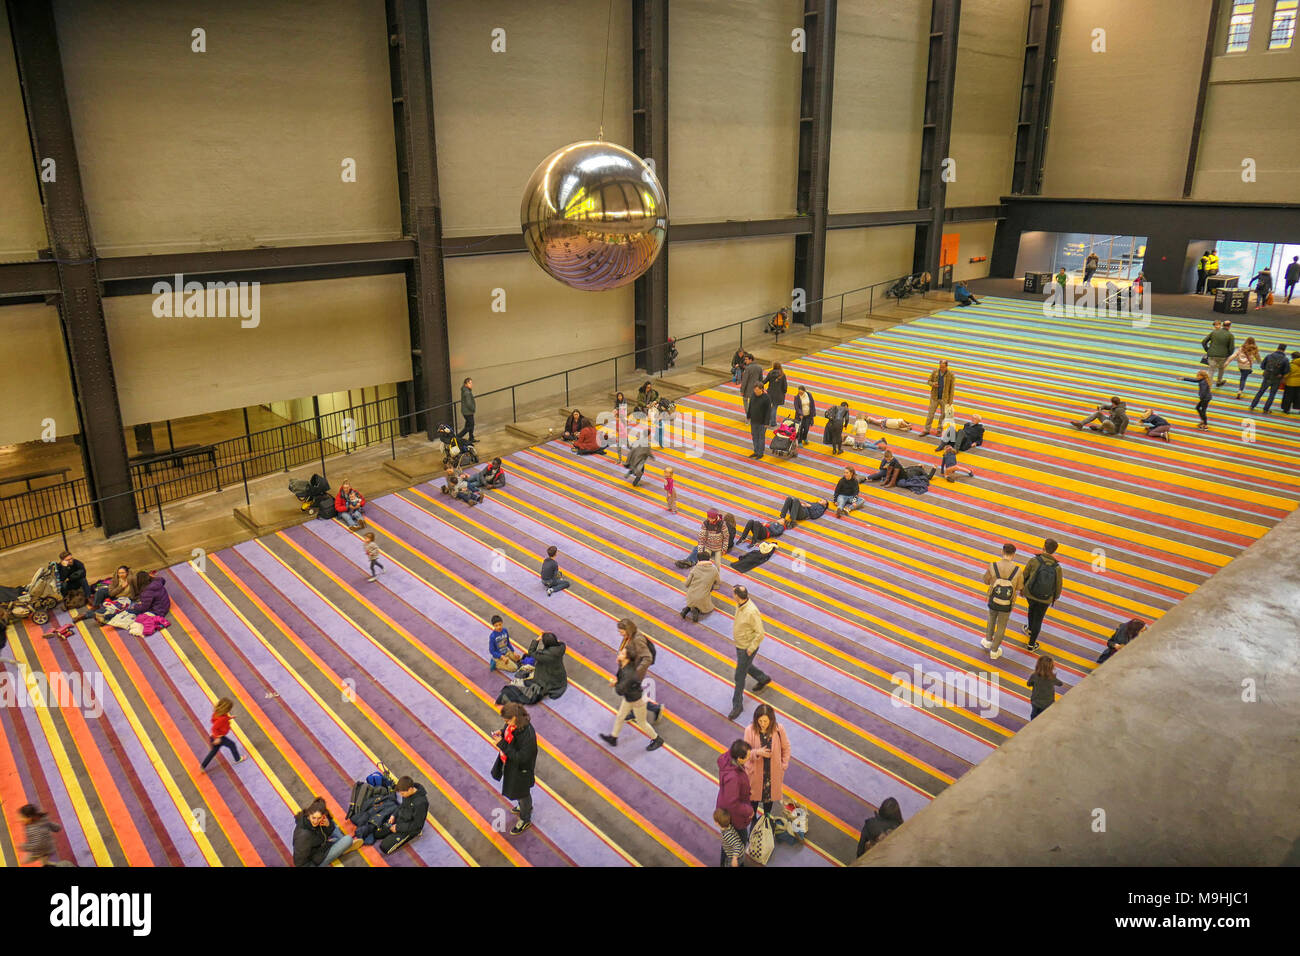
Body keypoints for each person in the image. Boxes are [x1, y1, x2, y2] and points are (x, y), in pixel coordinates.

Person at [598, 646, 666, 751]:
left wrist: (615, 684)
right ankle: (613, 737)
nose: (619, 653)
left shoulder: (629, 674)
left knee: (642, 723)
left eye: (622, 653)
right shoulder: (624, 665)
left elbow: (619, 691)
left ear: (627, 658)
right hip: (630, 697)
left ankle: (657, 739)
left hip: (637, 700)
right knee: (620, 716)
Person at [491, 702, 537, 836]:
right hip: (512, 766)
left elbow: (521, 757)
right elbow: (508, 729)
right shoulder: (514, 725)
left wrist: (502, 744)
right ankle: (524, 807)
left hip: (521, 769)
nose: (506, 723)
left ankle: (525, 818)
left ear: (516, 717)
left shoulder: (527, 735)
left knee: (523, 793)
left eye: (508, 720)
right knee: (518, 792)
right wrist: (502, 732)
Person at [729, 586, 771, 721]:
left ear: (737, 595)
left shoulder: (751, 611)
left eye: (733, 593)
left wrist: (750, 648)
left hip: (746, 647)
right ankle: (763, 678)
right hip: (740, 645)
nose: (732, 595)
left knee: (739, 676)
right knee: (746, 666)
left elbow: (760, 633)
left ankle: (737, 706)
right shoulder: (740, 604)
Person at [743, 703, 790, 820]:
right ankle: (753, 819)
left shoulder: (779, 729)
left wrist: (783, 765)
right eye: (760, 721)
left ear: (771, 720)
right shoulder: (749, 730)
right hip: (756, 774)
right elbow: (745, 753)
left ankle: (766, 819)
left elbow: (786, 747)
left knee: (769, 801)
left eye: (765, 721)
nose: (762, 724)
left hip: (772, 773)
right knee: (753, 800)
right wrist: (757, 752)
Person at [981, 543, 1023, 660]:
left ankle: (988, 640)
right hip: (1008, 602)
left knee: (991, 618)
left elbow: (986, 580)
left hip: (994, 599)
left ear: (1002, 552)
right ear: (1014, 555)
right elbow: (1020, 587)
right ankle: (994, 651)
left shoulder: (993, 566)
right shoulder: (1018, 570)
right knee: (1001, 626)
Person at [614, 618, 661, 721]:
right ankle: (638, 711)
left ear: (628, 630)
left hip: (634, 672)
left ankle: (655, 708)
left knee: (633, 693)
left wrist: (635, 673)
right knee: (633, 693)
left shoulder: (637, 639)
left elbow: (648, 658)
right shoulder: (630, 636)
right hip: (629, 668)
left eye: (621, 632)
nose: (620, 634)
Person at [1021, 539, 1063, 652]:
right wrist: (1055, 597)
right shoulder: (1057, 568)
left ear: (1043, 547)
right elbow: (1058, 585)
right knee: (1039, 618)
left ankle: (1029, 629)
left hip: (1030, 593)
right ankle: (1031, 644)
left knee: (1031, 609)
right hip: (1046, 598)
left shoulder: (1034, 560)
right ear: (1055, 551)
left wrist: (1022, 589)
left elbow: (1024, 575)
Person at [293, 797, 355, 867]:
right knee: (348, 840)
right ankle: (341, 846)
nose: (316, 821)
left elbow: (325, 834)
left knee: (331, 822)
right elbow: (299, 863)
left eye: (319, 818)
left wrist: (328, 825)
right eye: (313, 817)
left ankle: (340, 845)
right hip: (316, 861)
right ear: (308, 815)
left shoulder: (320, 821)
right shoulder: (303, 836)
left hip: (321, 848)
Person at [715, 740, 755, 839]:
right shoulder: (734, 778)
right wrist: (749, 810)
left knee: (729, 841)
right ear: (739, 759)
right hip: (732, 816)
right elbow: (733, 804)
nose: (749, 758)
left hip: (725, 804)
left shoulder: (729, 760)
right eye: (747, 756)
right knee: (739, 842)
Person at [379, 776, 428, 854]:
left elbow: (417, 825)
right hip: (402, 818)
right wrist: (394, 815)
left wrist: (398, 828)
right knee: (377, 833)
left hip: (411, 828)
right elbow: (402, 805)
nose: (401, 796)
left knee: (384, 847)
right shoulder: (407, 792)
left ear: (410, 789)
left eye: (402, 793)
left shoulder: (421, 803)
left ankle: (416, 834)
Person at [199, 697, 245, 770]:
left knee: (213, 752)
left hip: (214, 737)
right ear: (226, 709)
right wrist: (217, 738)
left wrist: (229, 718)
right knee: (232, 745)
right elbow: (214, 728)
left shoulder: (218, 714)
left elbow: (220, 720)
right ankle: (237, 759)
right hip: (219, 738)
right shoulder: (222, 718)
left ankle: (203, 766)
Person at [1250, 343, 1290, 413]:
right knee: (1272, 394)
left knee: (1261, 391)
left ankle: (1253, 405)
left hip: (1267, 377)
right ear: (1284, 350)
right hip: (1276, 379)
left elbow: (1262, 366)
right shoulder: (1285, 359)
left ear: (1277, 348)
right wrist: (1281, 374)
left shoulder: (1269, 356)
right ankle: (1266, 409)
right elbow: (1287, 371)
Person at [921, 360, 955, 437]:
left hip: (944, 399)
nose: (941, 368)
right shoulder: (935, 372)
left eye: (943, 367)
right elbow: (929, 381)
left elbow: (952, 389)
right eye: (940, 366)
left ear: (947, 366)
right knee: (930, 414)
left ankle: (939, 430)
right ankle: (926, 430)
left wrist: (950, 401)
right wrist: (933, 384)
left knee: (943, 415)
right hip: (934, 397)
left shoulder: (951, 375)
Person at [680, 556, 720, 623]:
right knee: (705, 605)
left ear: (698, 560)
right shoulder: (714, 570)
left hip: (691, 595)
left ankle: (688, 608)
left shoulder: (694, 569)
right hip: (703, 596)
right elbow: (718, 582)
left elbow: (686, 584)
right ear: (709, 560)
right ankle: (696, 610)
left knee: (692, 601)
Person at [1026, 655, 1063, 719]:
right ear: (1051, 667)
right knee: (1045, 717)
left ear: (1038, 665)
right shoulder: (1052, 677)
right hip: (1048, 703)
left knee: (1034, 715)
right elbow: (1060, 684)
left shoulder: (1034, 676)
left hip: (1036, 701)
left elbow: (1029, 684)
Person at [1202, 321, 1234, 387]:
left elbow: (1203, 342)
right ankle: (1219, 381)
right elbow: (1231, 348)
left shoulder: (1214, 332)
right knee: (1221, 368)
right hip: (1223, 356)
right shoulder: (1230, 335)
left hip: (1212, 354)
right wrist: (1228, 354)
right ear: (1229, 327)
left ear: (1222, 325)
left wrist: (1207, 350)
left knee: (1211, 370)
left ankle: (1208, 385)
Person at [746, 384, 771, 459]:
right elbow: (750, 406)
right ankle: (756, 451)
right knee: (754, 437)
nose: (755, 391)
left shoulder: (766, 398)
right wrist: (748, 416)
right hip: (754, 421)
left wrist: (767, 422)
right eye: (754, 390)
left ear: (762, 389)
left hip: (762, 423)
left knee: (761, 438)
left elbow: (768, 411)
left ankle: (760, 453)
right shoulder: (753, 395)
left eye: (757, 390)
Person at [763, 362, 788, 427]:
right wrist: (784, 392)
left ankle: (767, 421)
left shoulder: (770, 373)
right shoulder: (782, 375)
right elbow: (785, 386)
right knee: (774, 407)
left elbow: (765, 381)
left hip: (770, 393)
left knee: (769, 408)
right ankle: (773, 422)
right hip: (778, 394)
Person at [457, 377, 476, 445]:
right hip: (468, 412)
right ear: (466, 384)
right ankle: (457, 437)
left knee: (470, 425)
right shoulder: (467, 392)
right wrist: (473, 408)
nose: (471, 384)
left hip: (467, 411)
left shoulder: (465, 390)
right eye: (469, 383)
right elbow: (469, 403)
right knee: (468, 427)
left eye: (471, 383)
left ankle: (471, 438)